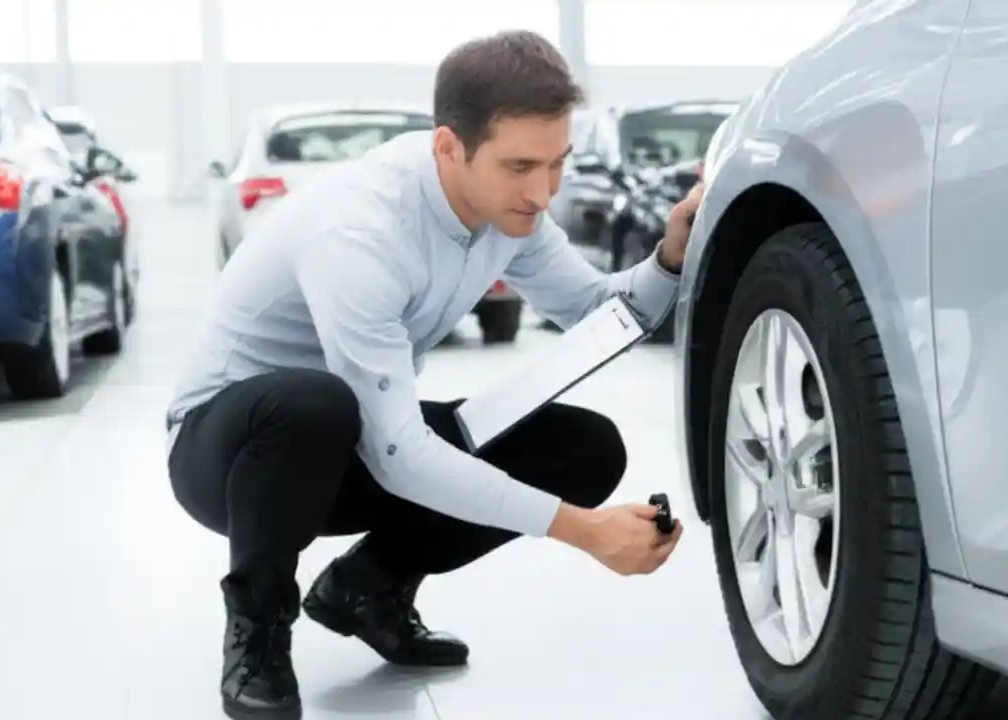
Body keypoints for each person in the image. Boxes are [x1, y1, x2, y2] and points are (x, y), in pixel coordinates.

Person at [165, 29, 703, 720]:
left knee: (585, 447)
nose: (542, 193)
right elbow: (398, 456)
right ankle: (258, 634)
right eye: (519, 167)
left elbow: (597, 311)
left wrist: (670, 257)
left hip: (352, 439)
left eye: (557, 164)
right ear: (449, 146)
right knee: (314, 404)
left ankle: (367, 587)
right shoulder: (362, 233)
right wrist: (584, 531)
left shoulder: (511, 211)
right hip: (232, 455)